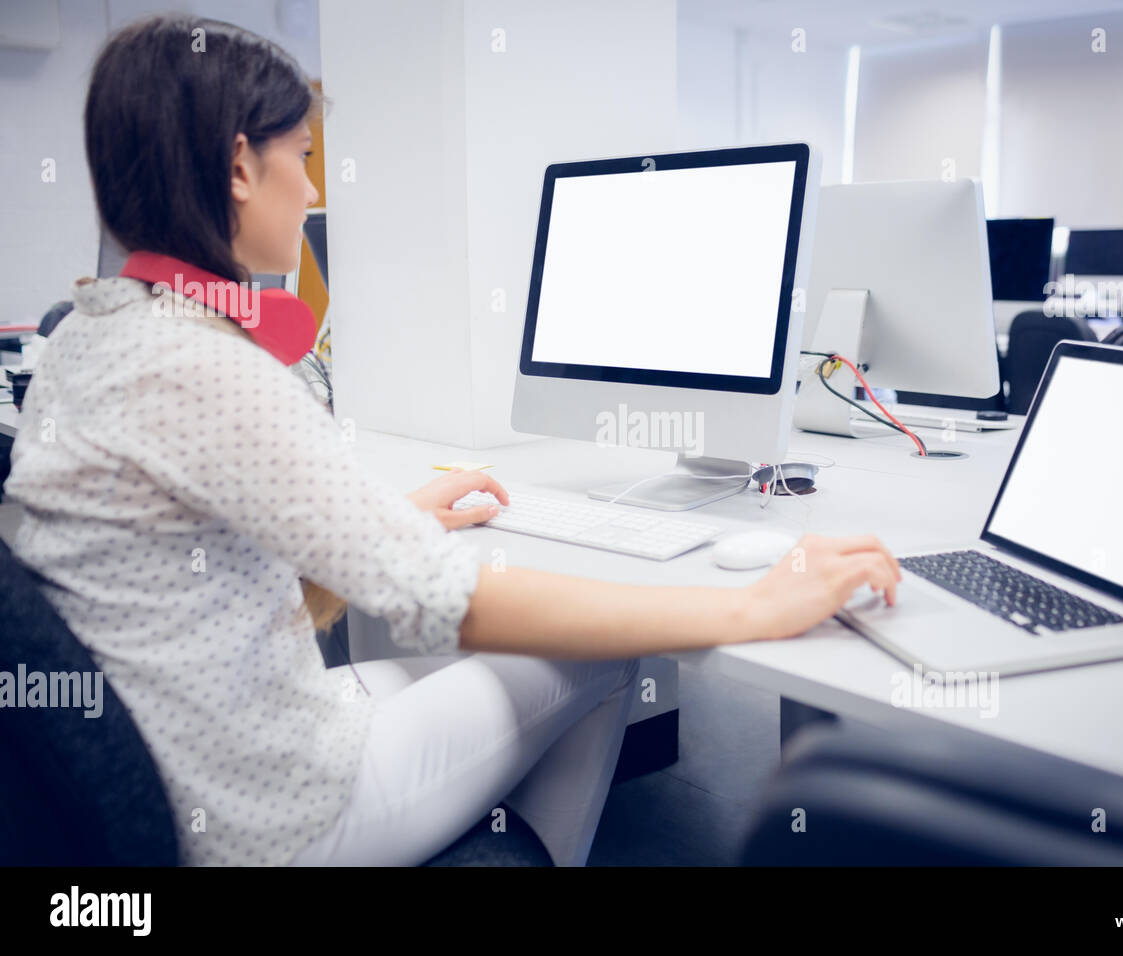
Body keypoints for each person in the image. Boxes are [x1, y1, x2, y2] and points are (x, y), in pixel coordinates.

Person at [2, 15, 900, 868]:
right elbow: (453, 602)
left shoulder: (92, 334)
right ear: (240, 166)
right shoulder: (207, 366)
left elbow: (203, 550)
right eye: (303, 158)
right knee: (597, 651)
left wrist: (384, 521)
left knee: (483, 662)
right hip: (271, 813)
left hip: (203, 751)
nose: (312, 191)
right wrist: (753, 607)